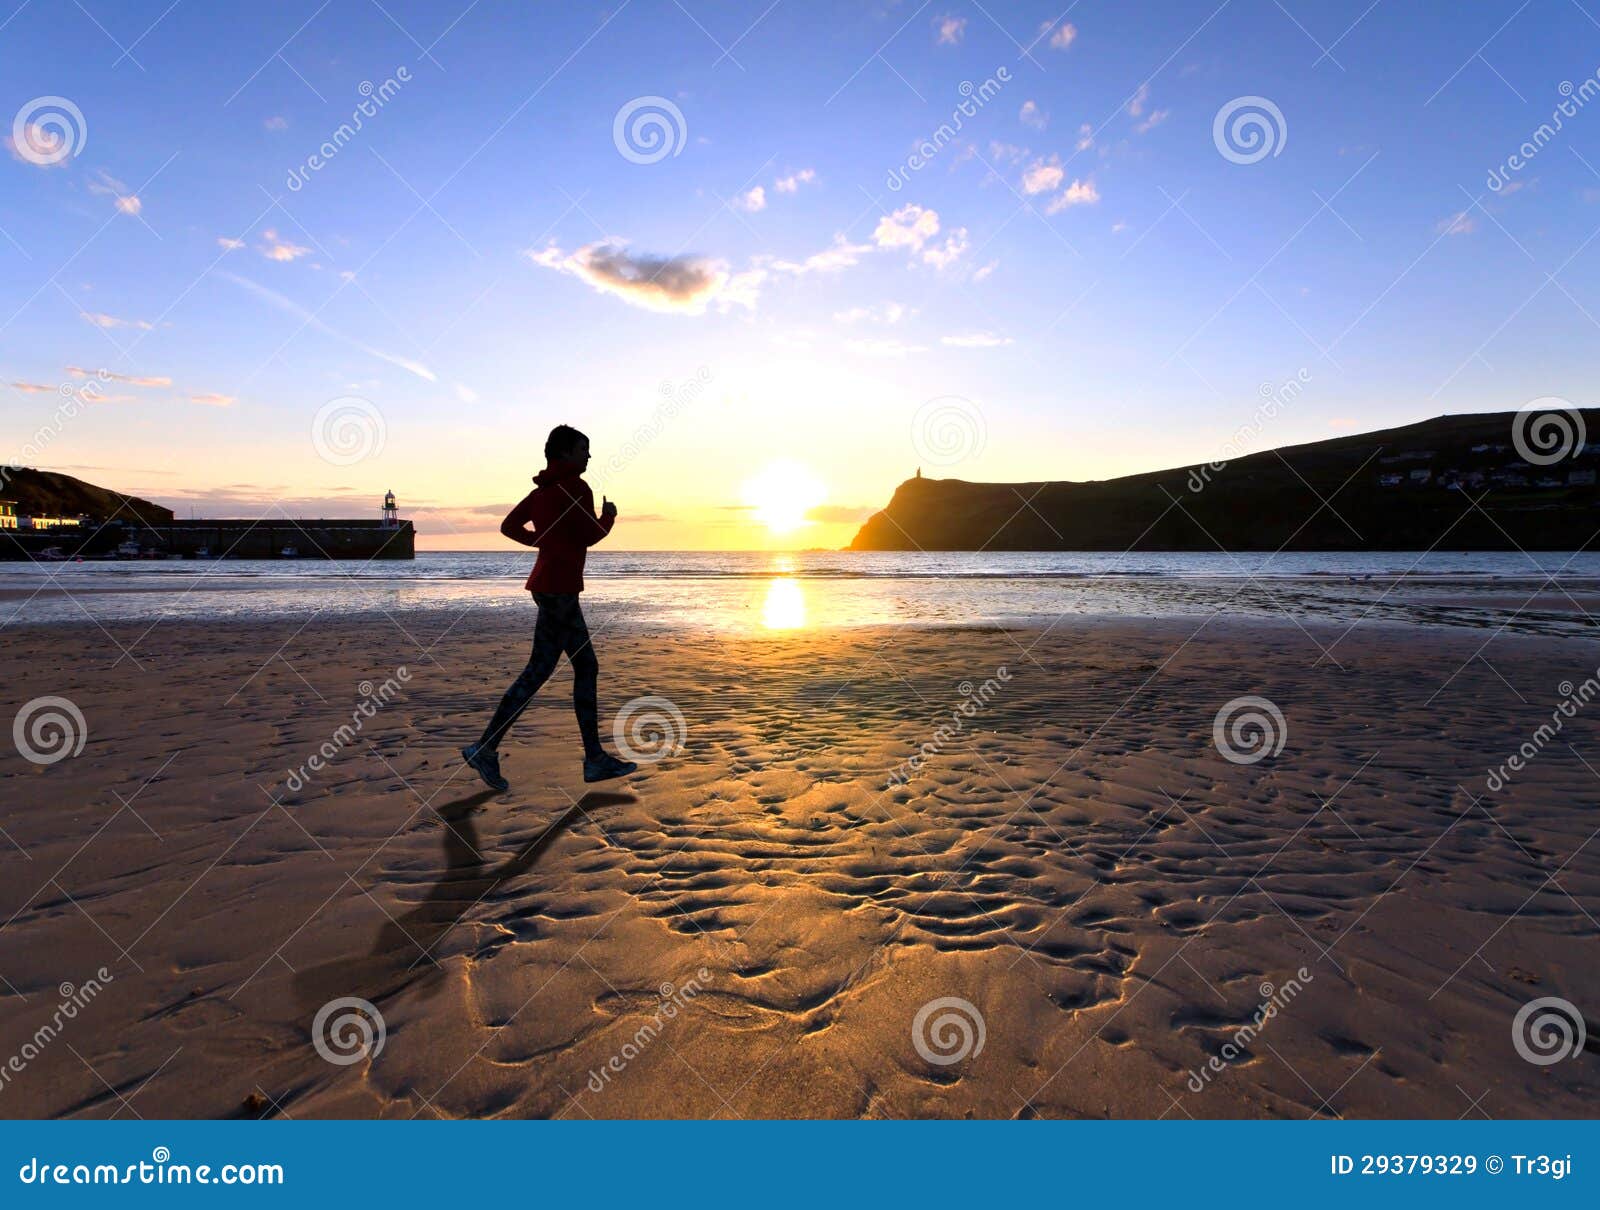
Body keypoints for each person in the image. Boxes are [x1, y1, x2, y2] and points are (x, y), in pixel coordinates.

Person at [462, 425, 638, 791]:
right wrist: (610, 516)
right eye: (584, 450)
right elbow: (591, 534)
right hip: (559, 590)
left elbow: (509, 526)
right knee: (575, 668)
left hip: (546, 587)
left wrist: (541, 541)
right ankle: (592, 760)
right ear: (565, 453)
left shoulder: (541, 491)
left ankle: (488, 748)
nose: (589, 456)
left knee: (543, 670)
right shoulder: (576, 487)